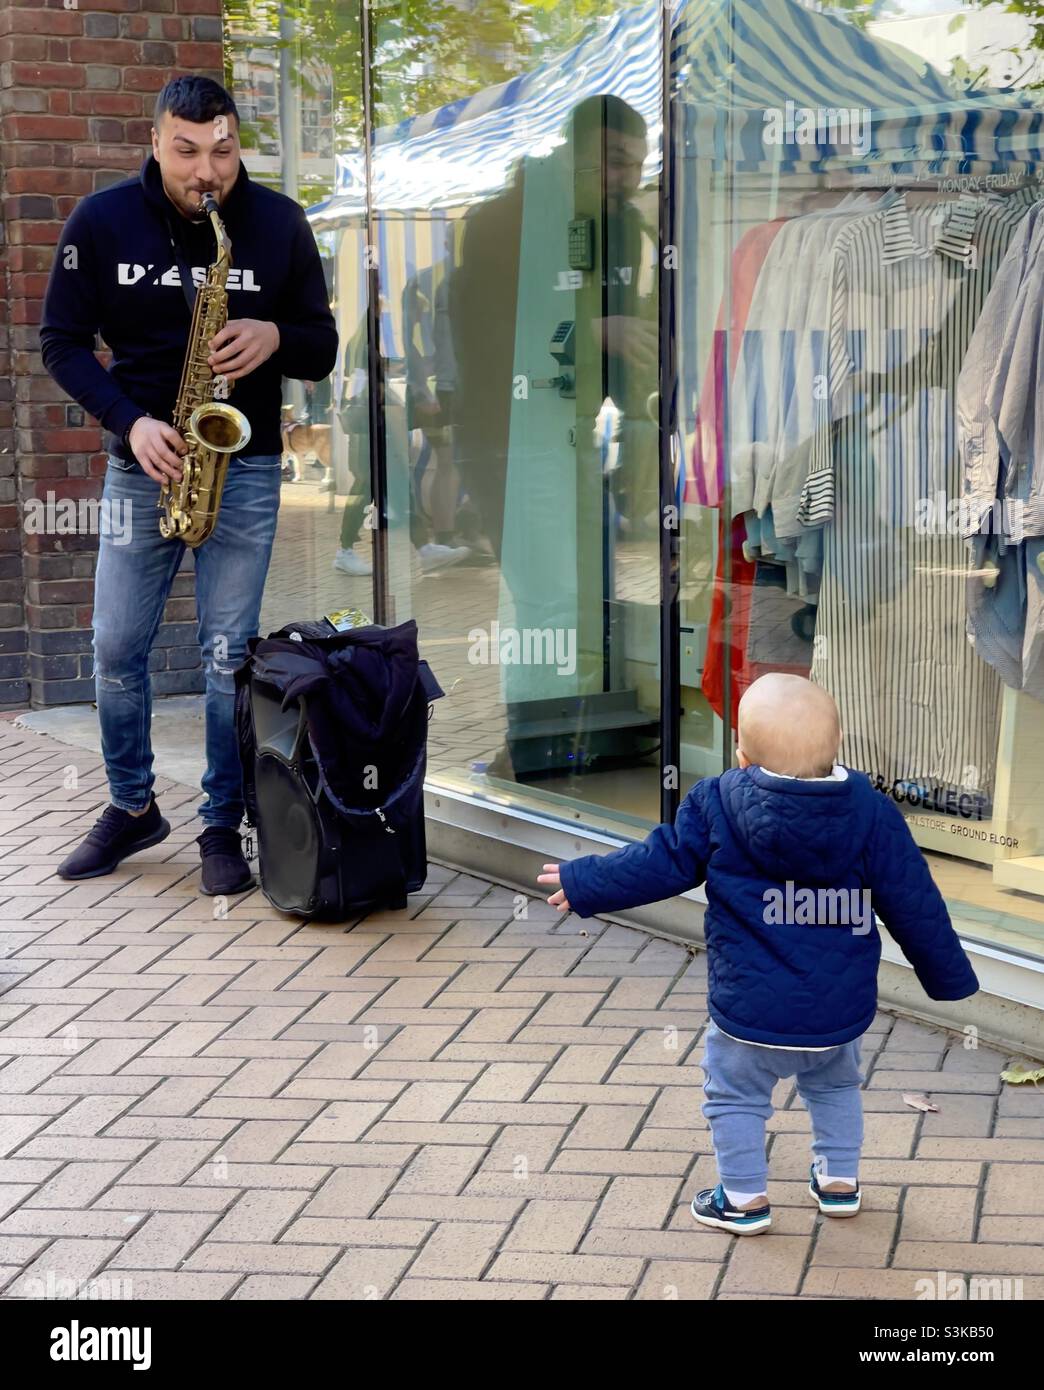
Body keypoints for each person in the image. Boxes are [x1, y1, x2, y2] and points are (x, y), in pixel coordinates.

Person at [538, 673, 979, 1236]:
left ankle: (743, 1200)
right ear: (838, 743)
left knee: (735, 1096)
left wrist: (586, 881)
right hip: (836, 1014)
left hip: (749, 1011)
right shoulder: (872, 815)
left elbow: (663, 861)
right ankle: (839, 1183)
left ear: (742, 754)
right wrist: (949, 979)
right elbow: (915, 902)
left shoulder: (717, 803)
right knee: (836, 1086)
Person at [40, 75, 338, 896]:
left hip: (241, 470)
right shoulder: (100, 223)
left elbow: (322, 345)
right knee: (114, 648)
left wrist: (276, 332)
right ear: (156, 140)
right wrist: (129, 420)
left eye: (224, 150)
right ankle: (132, 806)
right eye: (187, 152)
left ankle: (219, 823)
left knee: (224, 655)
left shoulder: (277, 223)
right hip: (144, 465)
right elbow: (60, 342)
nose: (208, 171)